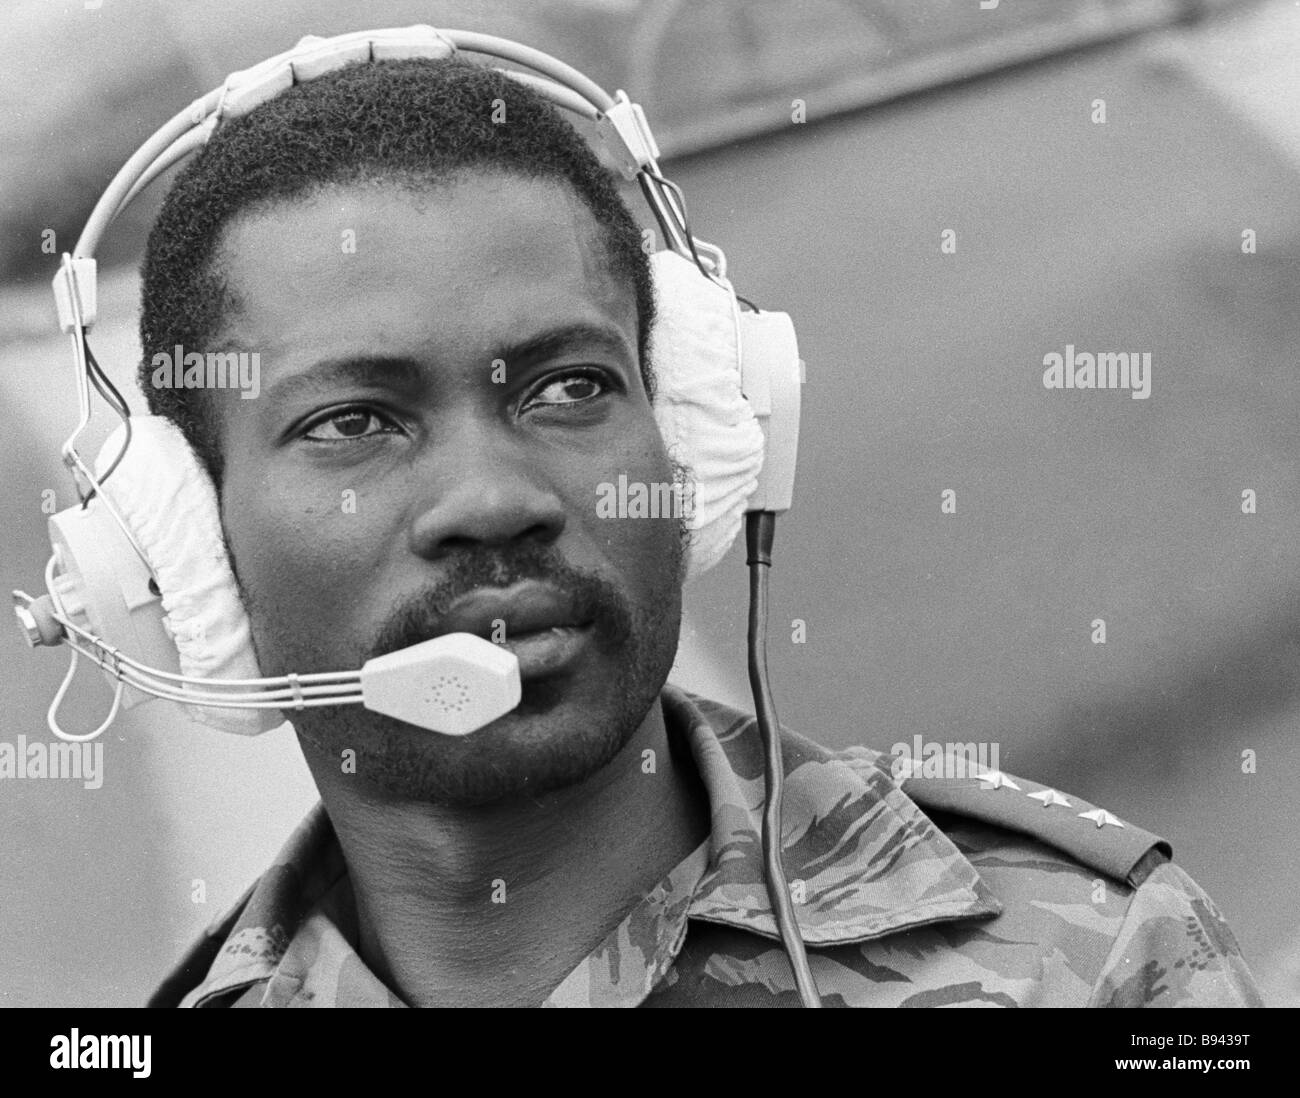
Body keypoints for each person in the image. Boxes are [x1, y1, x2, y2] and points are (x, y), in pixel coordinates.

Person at [142, 55, 1261, 1008]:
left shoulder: (1090, 960)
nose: (492, 499)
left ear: (699, 437)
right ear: (189, 540)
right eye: (353, 421)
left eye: (569, 388)